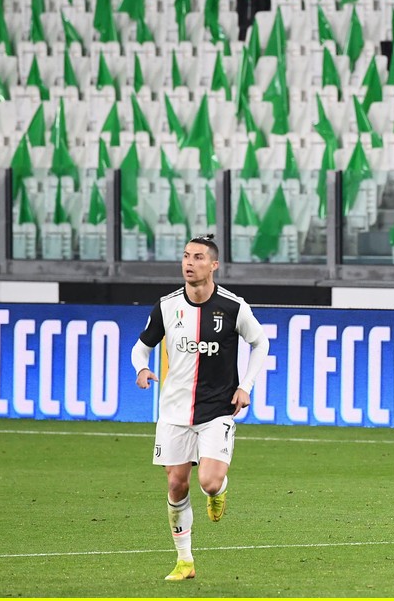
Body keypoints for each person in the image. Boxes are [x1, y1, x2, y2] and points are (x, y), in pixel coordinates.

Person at [131, 234, 270, 581]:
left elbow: (261, 342)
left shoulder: (233, 307)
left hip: (217, 410)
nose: (189, 263)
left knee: (208, 481)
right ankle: (185, 561)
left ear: (213, 264)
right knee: (177, 484)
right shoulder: (166, 306)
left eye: (197, 257)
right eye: (185, 256)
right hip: (174, 411)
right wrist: (142, 368)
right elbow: (141, 347)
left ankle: (218, 492)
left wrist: (245, 386)